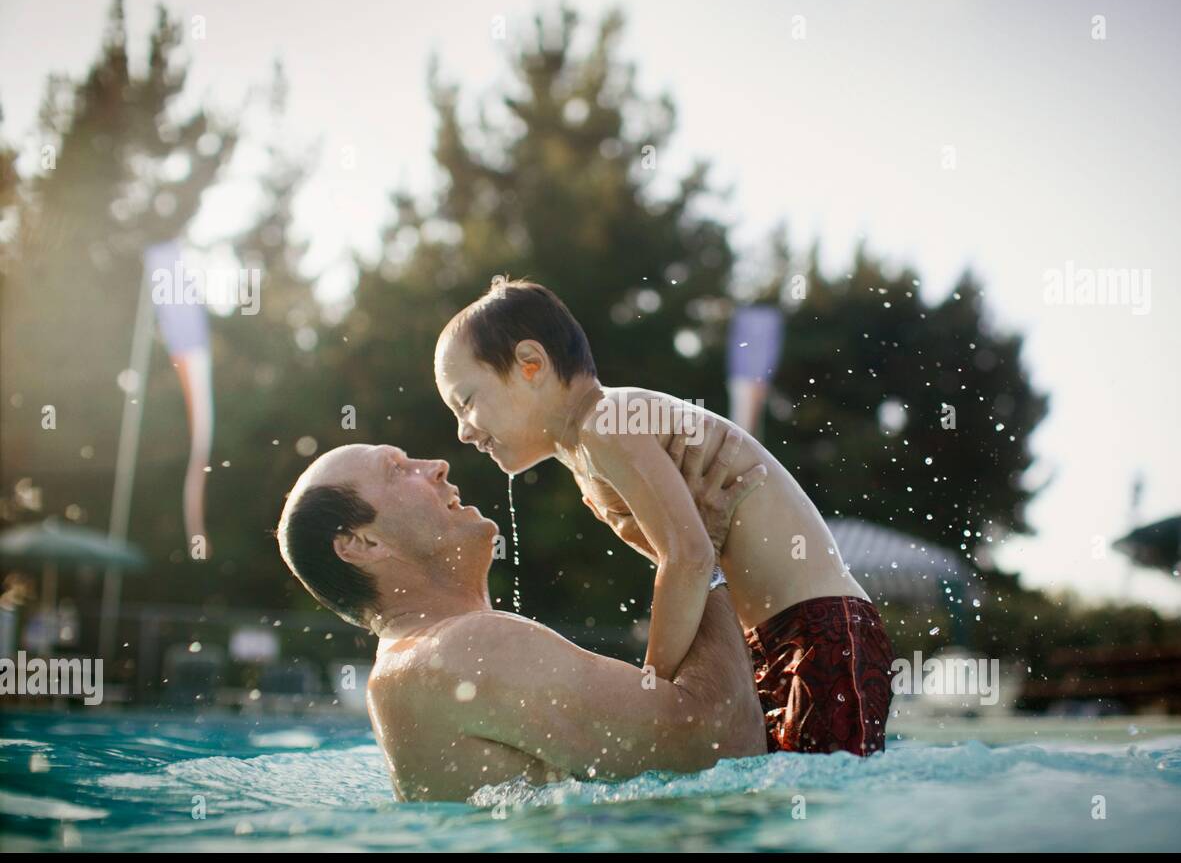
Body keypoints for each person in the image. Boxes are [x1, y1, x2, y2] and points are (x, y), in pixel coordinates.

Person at [434, 279, 895, 756]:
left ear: (531, 364)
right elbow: (693, 557)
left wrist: (652, 689)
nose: (464, 432)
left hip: (820, 631)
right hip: (784, 636)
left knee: (819, 801)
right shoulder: (592, 452)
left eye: (466, 403)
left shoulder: (605, 422)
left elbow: (691, 558)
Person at [276, 435, 767, 802]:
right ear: (362, 544)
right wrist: (696, 550)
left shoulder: (417, 666)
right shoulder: (461, 650)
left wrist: (682, 563)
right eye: (398, 469)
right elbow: (722, 744)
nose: (438, 466)